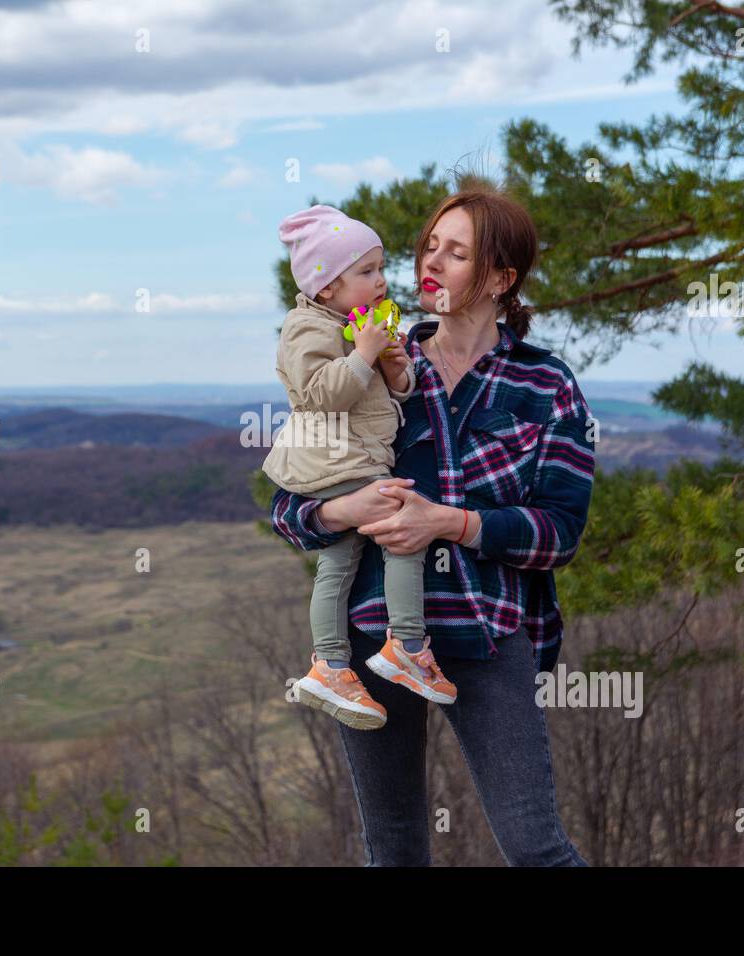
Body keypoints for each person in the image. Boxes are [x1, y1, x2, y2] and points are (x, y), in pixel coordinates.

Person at [269, 187, 595, 866]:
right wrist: (341, 513)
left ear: (501, 280)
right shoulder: (376, 359)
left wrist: (449, 522)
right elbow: (291, 509)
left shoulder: (546, 385)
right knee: (393, 850)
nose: (431, 262)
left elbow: (560, 532)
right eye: (429, 247)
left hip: (487, 634)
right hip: (372, 641)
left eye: (457, 252)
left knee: (537, 849)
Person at [263, 204, 457, 733]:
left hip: (357, 455)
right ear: (326, 287)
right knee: (403, 531)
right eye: (367, 271)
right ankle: (408, 645)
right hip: (333, 456)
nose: (381, 280)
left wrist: (395, 367)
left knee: (339, 560)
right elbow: (319, 396)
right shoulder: (307, 325)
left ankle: (330, 664)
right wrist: (364, 352)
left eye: (380, 268)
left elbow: (388, 396)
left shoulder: (359, 322)